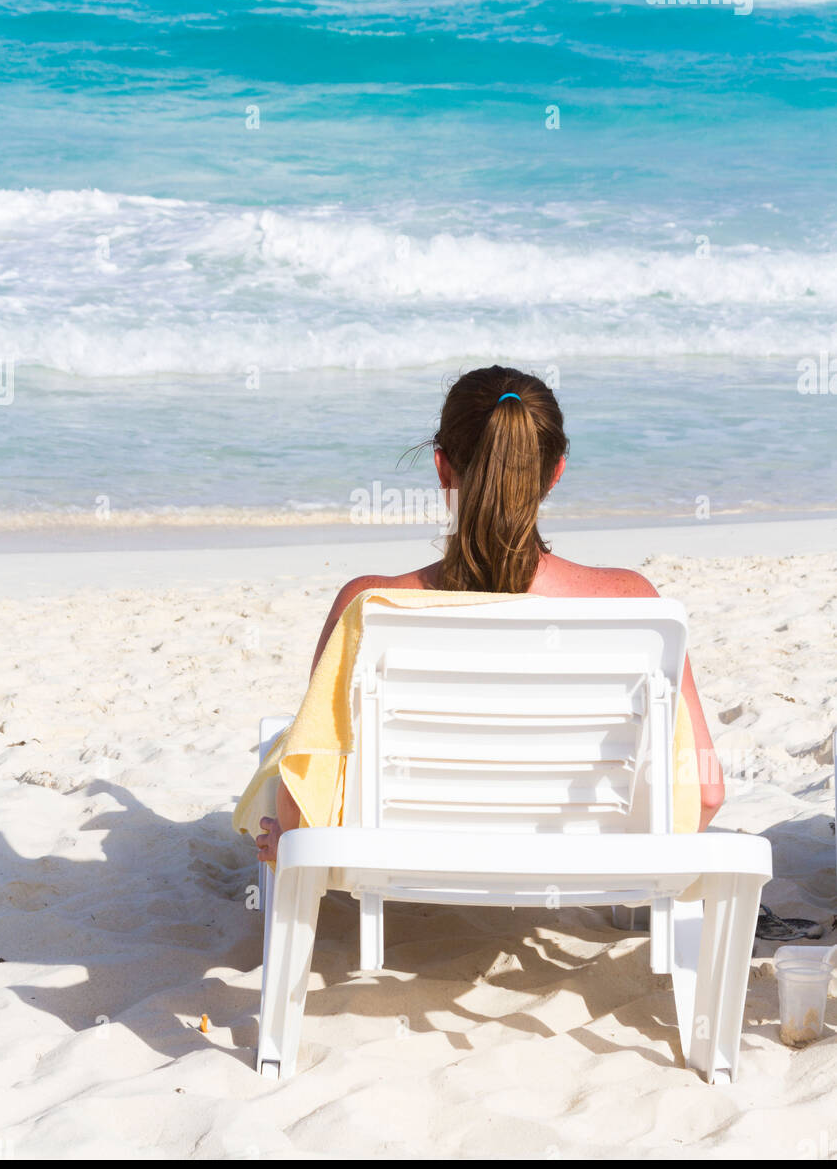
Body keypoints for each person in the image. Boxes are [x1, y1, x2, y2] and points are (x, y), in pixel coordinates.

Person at [257, 365, 724, 862]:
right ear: (556, 473)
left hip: (399, 864)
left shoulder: (369, 607)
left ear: (441, 467)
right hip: (585, 862)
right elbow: (706, 794)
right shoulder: (634, 605)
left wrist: (289, 835)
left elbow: (304, 816)